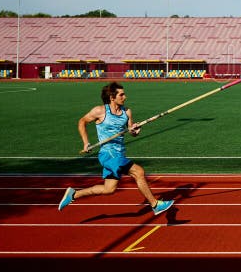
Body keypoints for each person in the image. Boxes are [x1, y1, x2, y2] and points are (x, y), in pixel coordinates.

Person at [59, 81, 174, 215]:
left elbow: (132, 132)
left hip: (119, 153)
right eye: (121, 95)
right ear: (112, 97)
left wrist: (135, 131)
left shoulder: (127, 112)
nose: (125, 97)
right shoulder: (100, 111)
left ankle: (74, 194)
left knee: (109, 189)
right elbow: (82, 121)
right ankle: (155, 204)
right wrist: (86, 142)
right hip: (108, 154)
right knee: (139, 172)